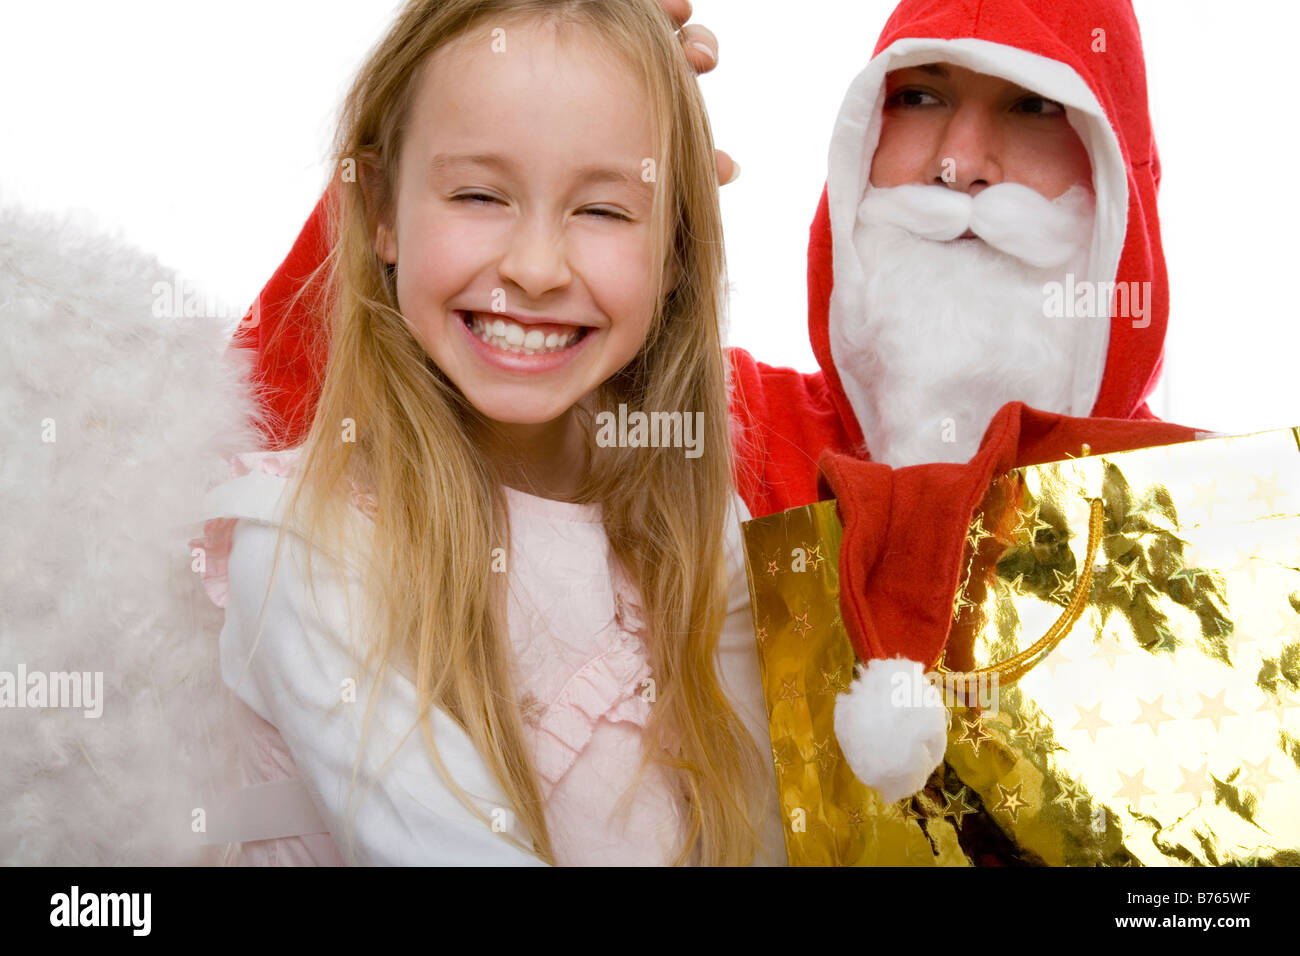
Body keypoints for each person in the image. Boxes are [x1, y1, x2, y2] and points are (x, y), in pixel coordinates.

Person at [193, 0, 785, 866]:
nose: (536, 268)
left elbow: (758, 835)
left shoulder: (703, 525)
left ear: (674, 255)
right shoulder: (302, 545)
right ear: (383, 210)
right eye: (477, 194)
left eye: (606, 211)